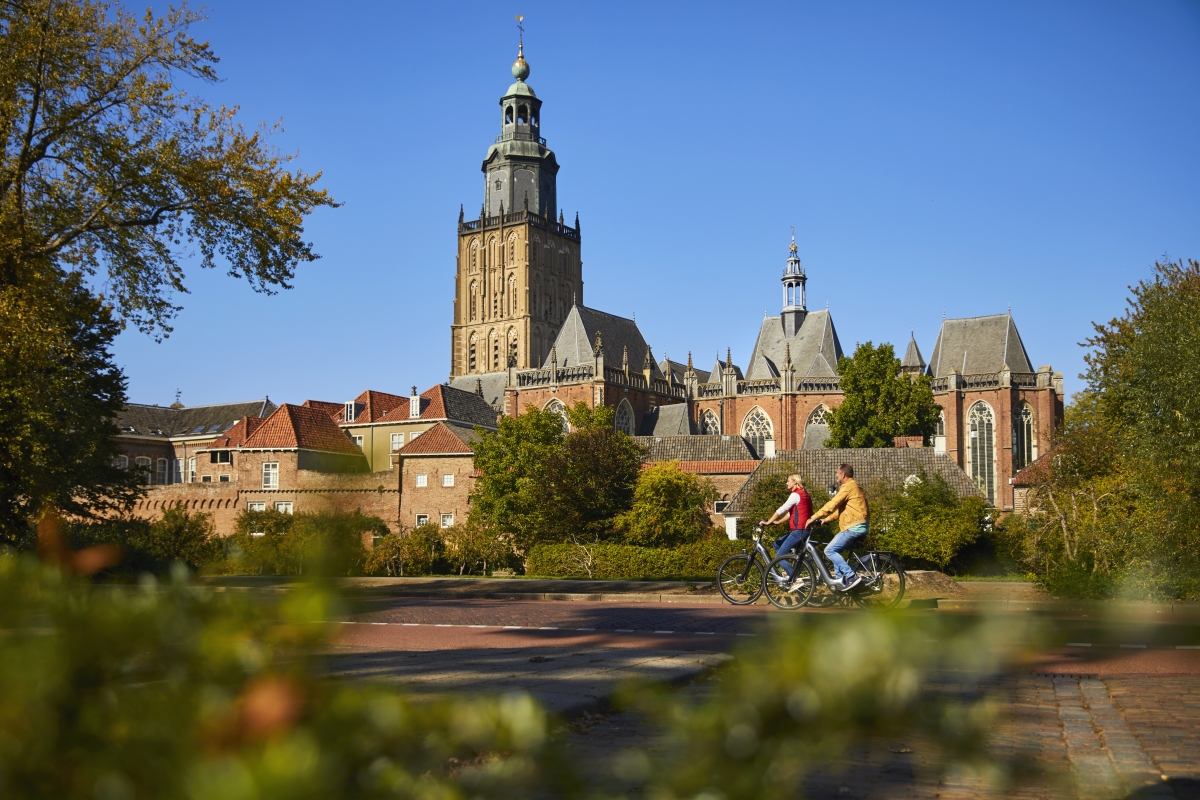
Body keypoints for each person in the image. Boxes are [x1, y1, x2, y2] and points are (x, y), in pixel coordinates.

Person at [806, 463, 869, 591]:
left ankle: (851, 576)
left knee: (829, 550)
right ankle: (841, 584)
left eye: (837, 473)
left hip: (854, 527)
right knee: (836, 551)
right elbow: (841, 510)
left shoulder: (848, 486)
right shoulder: (853, 486)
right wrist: (825, 520)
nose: (836, 475)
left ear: (843, 474)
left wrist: (814, 517)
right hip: (858, 525)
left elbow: (832, 504)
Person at [760, 473, 811, 578]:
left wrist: (768, 522)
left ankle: (794, 578)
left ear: (795, 482)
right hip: (804, 530)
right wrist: (778, 522)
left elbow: (782, 510)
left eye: (788, 481)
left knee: (779, 557)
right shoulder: (805, 494)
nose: (786, 483)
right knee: (777, 544)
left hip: (798, 531)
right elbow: (791, 513)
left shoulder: (795, 494)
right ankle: (788, 569)